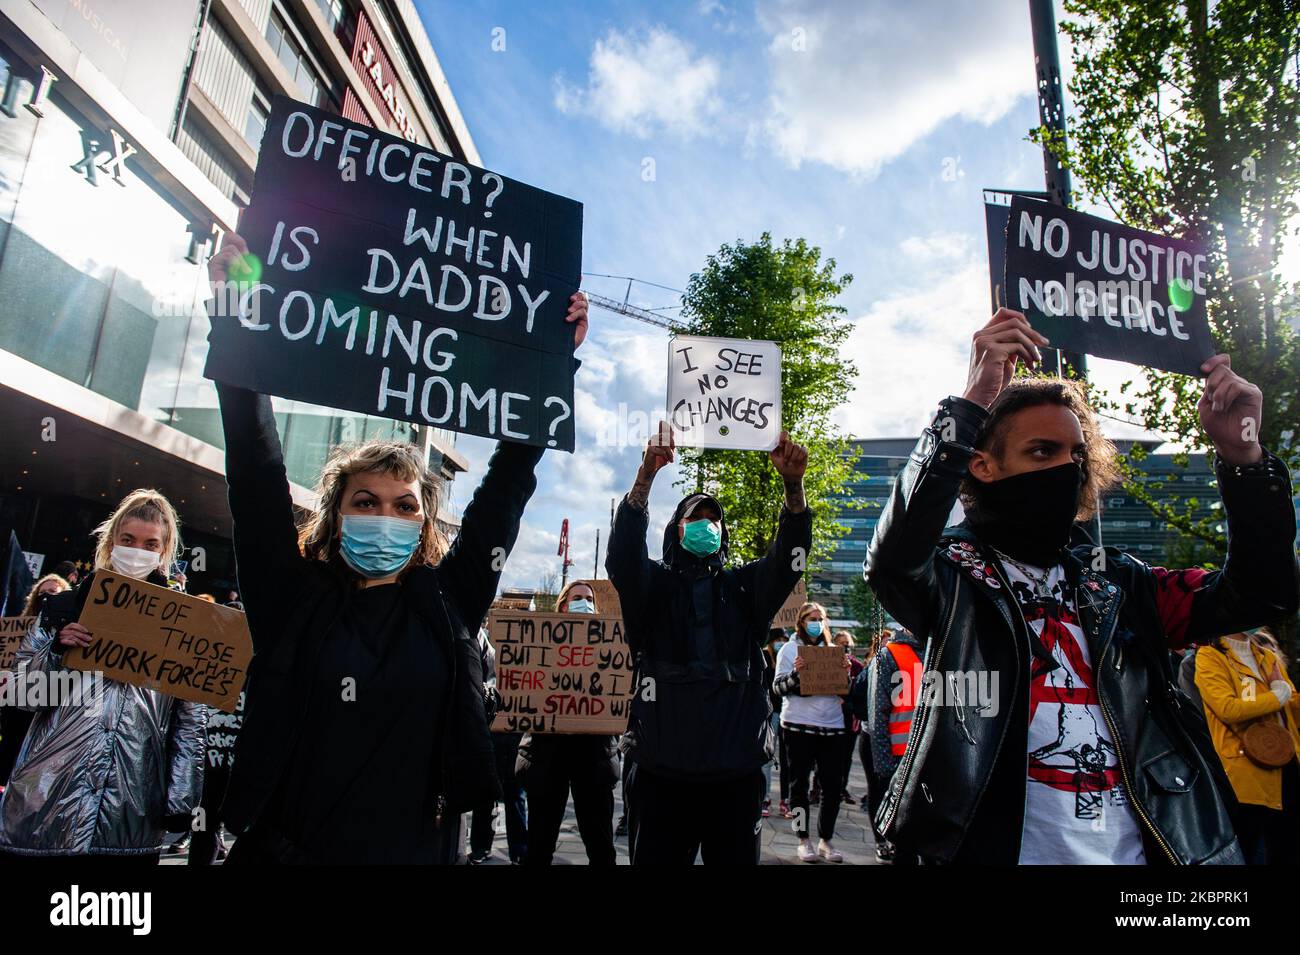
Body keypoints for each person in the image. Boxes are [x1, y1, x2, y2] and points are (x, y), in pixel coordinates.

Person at [864, 308, 1299, 865]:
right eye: (1041, 453)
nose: (1065, 469)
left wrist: (1244, 460)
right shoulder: (952, 576)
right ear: (982, 466)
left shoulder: (1122, 585)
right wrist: (969, 404)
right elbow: (892, 559)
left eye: (1076, 454)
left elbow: (1263, 592)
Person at [207, 233, 589, 864]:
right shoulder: (290, 595)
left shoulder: (447, 603)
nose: (385, 516)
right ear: (334, 517)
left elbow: (502, 494)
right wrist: (233, 319)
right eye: (366, 502)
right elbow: (253, 469)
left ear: (423, 525)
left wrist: (552, 361)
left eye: (404, 505)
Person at [607, 420, 811, 865]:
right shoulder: (652, 586)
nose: (706, 525)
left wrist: (793, 488)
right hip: (660, 774)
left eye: (714, 519)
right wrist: (645, 476)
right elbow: (622, 556)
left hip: (734, 777)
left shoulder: (745, 587)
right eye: (694, 518)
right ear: (675, 530)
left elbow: (788, 560)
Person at [0, 490, 207, 862]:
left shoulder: (181, 626)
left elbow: (189, 720)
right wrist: (58, 653)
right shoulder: (62, 608)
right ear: (112, 542)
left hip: (130, 808)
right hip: (46, 801)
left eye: (149, 543)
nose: (136, 550)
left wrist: (180, 798)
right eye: (128, 540)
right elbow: (20, 697)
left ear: (163, 551)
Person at [516, 580, 619, 865]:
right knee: (539, 846)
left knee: (600, 847)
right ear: (563, 604)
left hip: (594, 757)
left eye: (588, 598)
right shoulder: (540, 642)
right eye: (577, 597)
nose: (583, 602)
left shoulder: (611, 644)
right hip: (547, 756)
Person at [1194, 627, 1300, 864]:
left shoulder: (1267, 656)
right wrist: (1278, 694)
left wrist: (1285, 695)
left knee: (1289, 849)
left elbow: (1290, 707)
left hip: (1287, 763)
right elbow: (1230, 709)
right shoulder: (1210, 656)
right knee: (1249, 849)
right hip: (1247, 770)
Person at [774, 603, 852, 862]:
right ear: (801, 621)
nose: (816, 623)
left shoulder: (833, 652)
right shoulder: (789, 650)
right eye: (812, 618)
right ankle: (803, 839)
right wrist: (798, 673)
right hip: (797, 726)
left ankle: (825, 840)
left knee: (833, 786)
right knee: (799, 785)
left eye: (821, 618)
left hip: (831, 727)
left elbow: (844, 691)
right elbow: (778, 688)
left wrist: (845, 674)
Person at [852, 626, 924, 864]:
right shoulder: (890, 655)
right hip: (896, 754)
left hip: (927, 757)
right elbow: (877, 715)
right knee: (899, 823)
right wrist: (885, 767)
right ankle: (883, 841)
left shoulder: (940, 649)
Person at [469, 629, 527, 864]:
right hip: (490, 728)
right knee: (486, 793)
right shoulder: (481, 637)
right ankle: (482, 846)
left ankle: (520, 850)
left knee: (515, 795)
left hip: (514, 731)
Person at [833, 630, 863, 807]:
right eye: (841, 642)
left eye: (847, 643)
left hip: (849, 717)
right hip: (831, 715)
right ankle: (818, 788)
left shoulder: (857, 666)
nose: (845, 646)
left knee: (846, 756)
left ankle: (841, 788)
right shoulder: (826, 663)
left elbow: (859, 691)